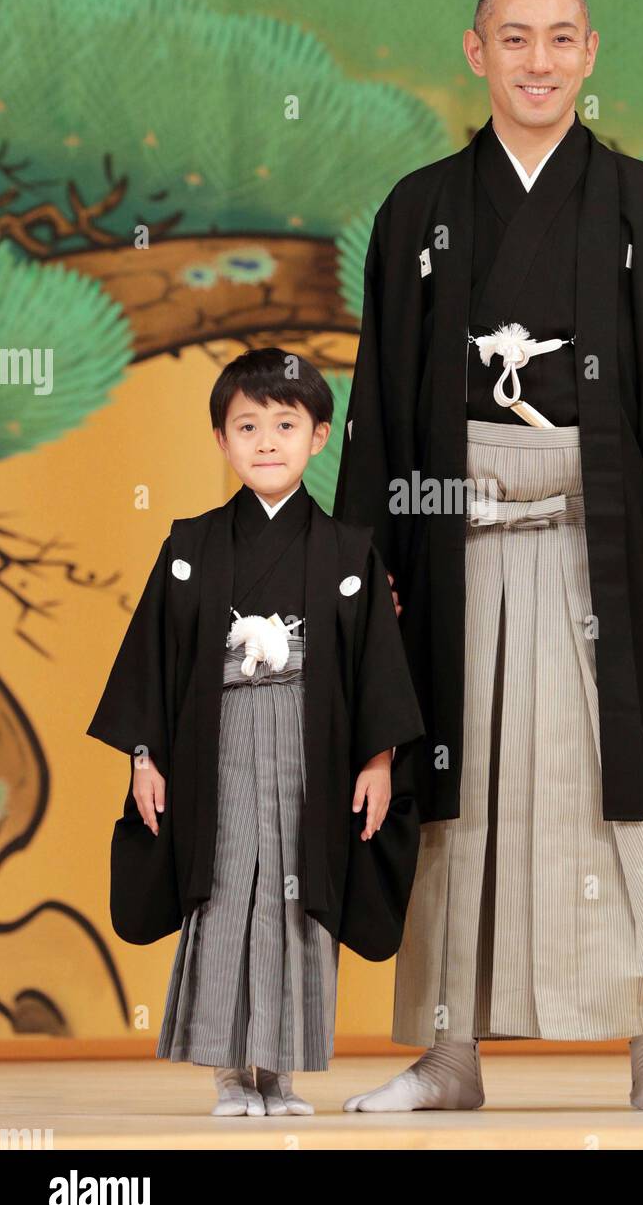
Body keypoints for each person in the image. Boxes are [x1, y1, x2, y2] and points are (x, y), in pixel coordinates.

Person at [333, 0, 643, 1113]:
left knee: (621, 780)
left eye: (560, 40)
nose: (538, 61)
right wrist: (373, 559)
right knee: (456, 781)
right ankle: (447, 1059)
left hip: (607, 536)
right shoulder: (419, 212)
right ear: (474, 50)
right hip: (454, 534)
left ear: (591, 54)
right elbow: (382, 400)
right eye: (514, 38)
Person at [86, 348, 426, 1116]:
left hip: (314, 745)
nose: (266, 441)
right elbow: (154, 659)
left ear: (320, 437)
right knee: (227, 886)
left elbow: (375, 664)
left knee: (297, 895)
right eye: (247, 426)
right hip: (218, 742)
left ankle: (283, 1072)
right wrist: (145, 756)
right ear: (221, 440)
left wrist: (377, 761)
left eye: (285, 424)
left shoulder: (348, 550)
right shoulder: (189, 547)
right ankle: (231, 1073)